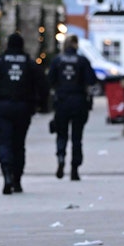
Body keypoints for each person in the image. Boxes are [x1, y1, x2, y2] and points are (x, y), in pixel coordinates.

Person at [0, 32, 49, 195]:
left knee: (4, 143)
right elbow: (43, 85)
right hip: (23, 107)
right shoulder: (29, 64)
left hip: (3, 107)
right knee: (19, 145)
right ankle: (17, 180)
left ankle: (6, 174)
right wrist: (42, 105)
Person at [47, 35, 97, 181]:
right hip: (79, 101)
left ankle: (61, 156)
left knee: (61, 134)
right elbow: (91, 80)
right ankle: (75, 168)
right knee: (77, 137)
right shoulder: (82, 60)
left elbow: (50, 80)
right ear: (75, 45)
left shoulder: (57, 60)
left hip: (62, 101)